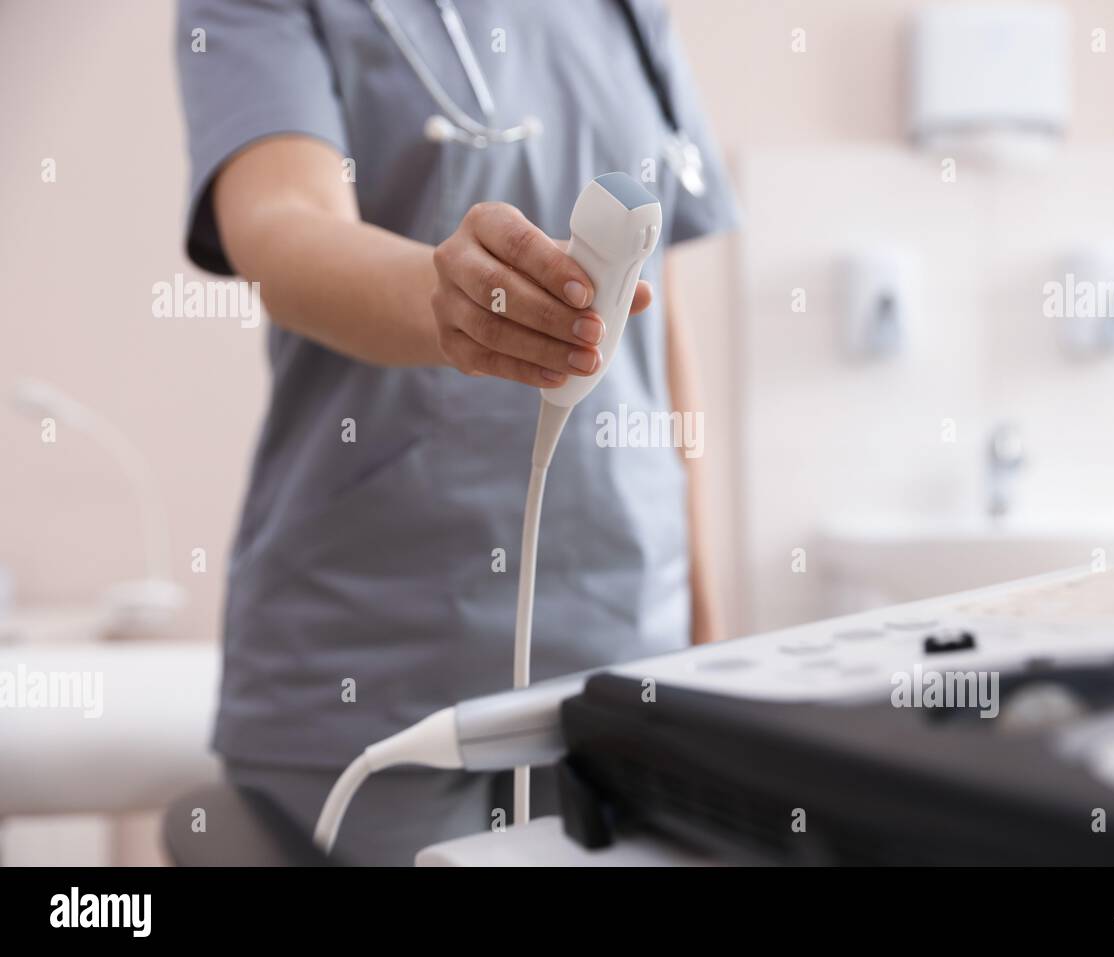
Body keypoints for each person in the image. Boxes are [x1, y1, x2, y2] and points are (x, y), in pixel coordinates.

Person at [176, 0, 739, 864]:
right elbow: (284, 227)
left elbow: (658, 319)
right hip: (366, 672)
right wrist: (446, 302)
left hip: (628, 666)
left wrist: (707, 636)